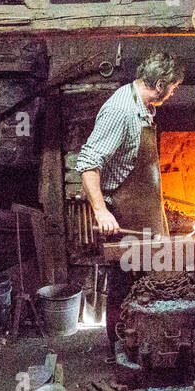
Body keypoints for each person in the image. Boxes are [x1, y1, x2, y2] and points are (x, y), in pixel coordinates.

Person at [76, 51, 184, 341]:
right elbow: (87, 162)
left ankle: (149, 344)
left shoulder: (143, 105)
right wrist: (100, 211)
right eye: (172, 88)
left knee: (150, 288)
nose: (173, 93)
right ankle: (121, 349)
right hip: (124, 218)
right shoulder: (120, 111)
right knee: (125, 290)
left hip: (146, 215)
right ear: (160, 84)